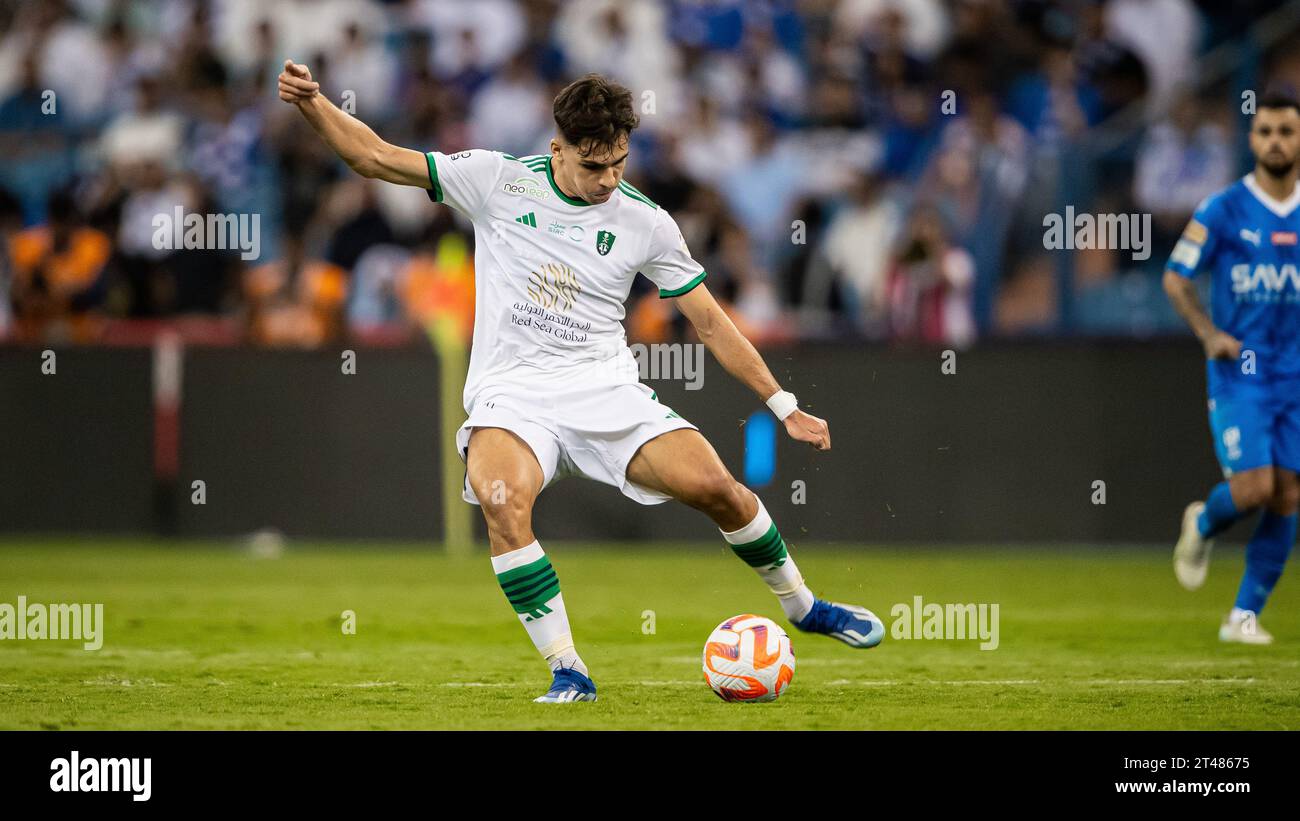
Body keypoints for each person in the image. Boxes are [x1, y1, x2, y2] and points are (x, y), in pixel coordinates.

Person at [277, 60, 885, 701]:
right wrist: (313, 103)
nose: (609, 180)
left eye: (619, 162)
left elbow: (709, 322)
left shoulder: (645, 220)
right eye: (594, 166)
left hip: (607, 392)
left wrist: (781, 403)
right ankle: (570, 670)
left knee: (720, 490)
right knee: (503, 502)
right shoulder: (497, 182)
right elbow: (374, 157)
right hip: (512, 396)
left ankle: (804, 607)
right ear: (557, 149)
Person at [1164, 93, 1300, 644]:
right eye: (1265, 130)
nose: (1275, 141)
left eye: (1286, 131)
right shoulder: (1223, 209)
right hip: (1241, 372)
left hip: (1294, 377)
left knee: (1289, 493)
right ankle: (1201, 523)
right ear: (1251, 139)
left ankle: (1243, 616)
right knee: (1252, 489)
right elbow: (1176, 276)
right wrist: (1207, 333)